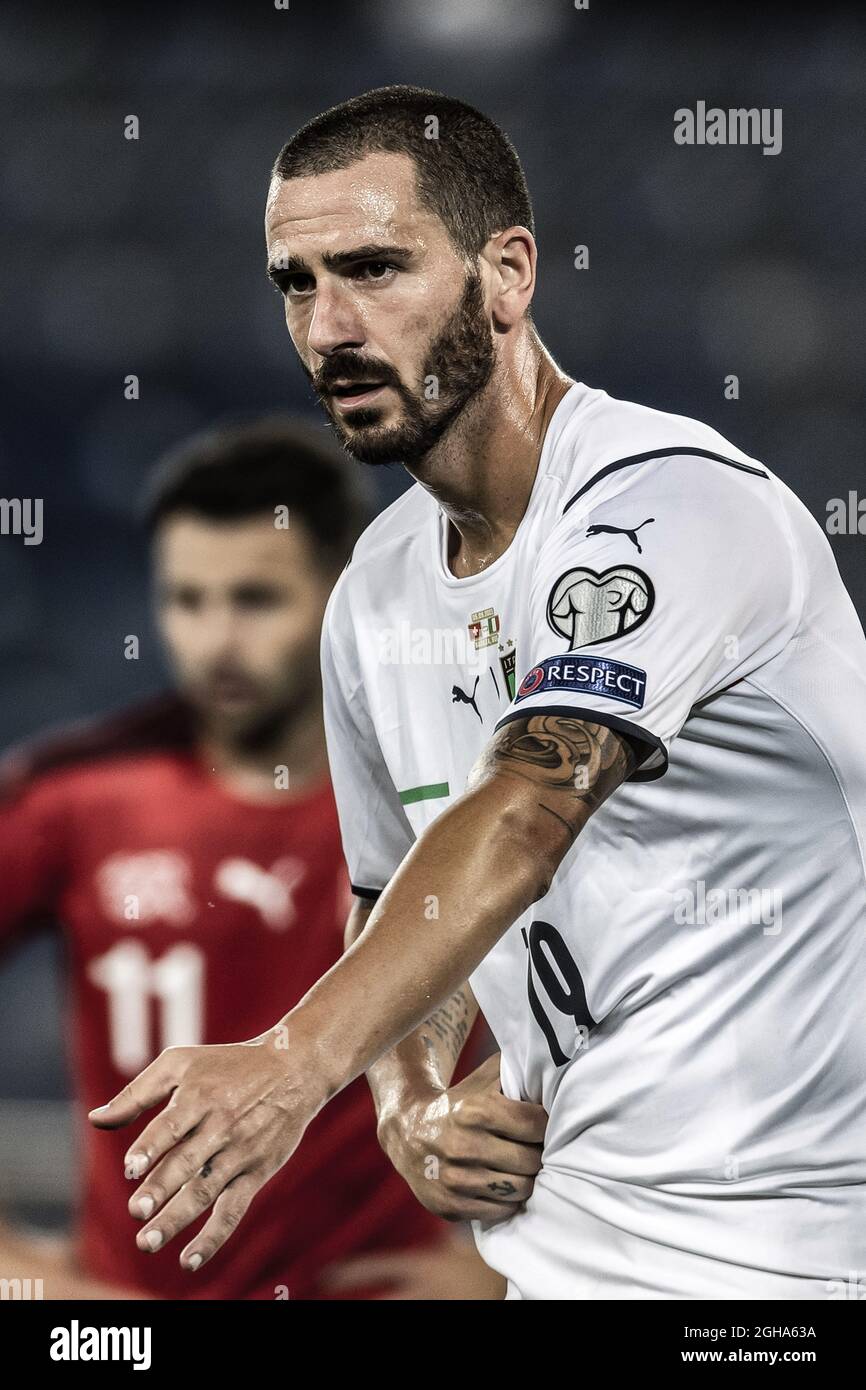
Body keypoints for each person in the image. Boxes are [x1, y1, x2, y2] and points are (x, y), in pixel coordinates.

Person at [92, 86, 866, 1300]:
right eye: (295, 282)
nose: (329, 326)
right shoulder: (375, 593)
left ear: (507, 273)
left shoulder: (669, 505)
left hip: (787, 1268)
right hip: (558, 1255)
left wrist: (298, 1065)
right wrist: (403, 1100)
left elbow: (523, 812)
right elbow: (391, 894)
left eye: (373, 267)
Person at [0, 415, 507, 1299]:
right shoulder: (71, 796)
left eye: (255, 600)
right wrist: (18, 1275)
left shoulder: (460, 794)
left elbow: (631, 1018)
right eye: (186, 601)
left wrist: (504, 1269)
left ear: (346, 591)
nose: (215, 641)